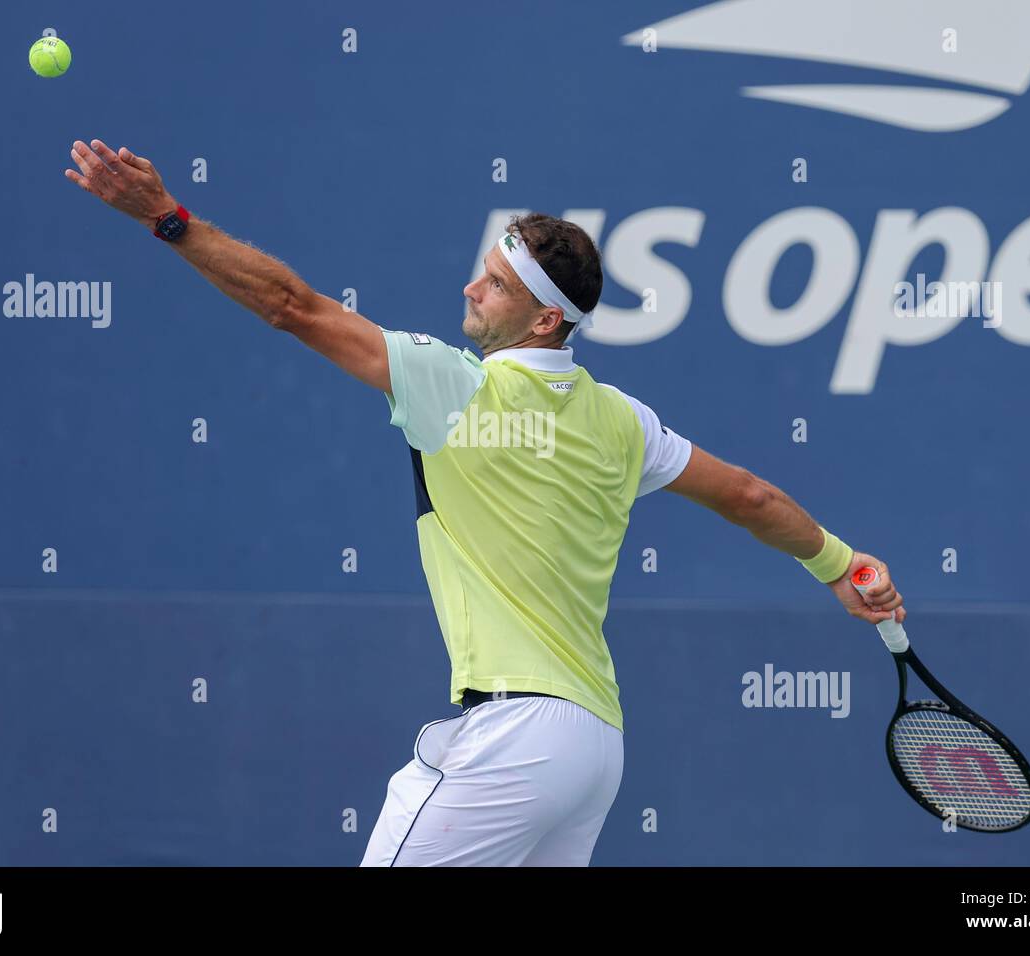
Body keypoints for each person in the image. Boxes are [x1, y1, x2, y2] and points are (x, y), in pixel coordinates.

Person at [64, 139, 906, 866]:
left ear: (544, 321)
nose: (471, 288)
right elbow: (751, 496)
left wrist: (165, 216)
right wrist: (841, 564)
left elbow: (291, 307)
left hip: (512, 741)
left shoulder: (451, 388)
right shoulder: (625, 424)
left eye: (497, 285)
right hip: (593, 750)